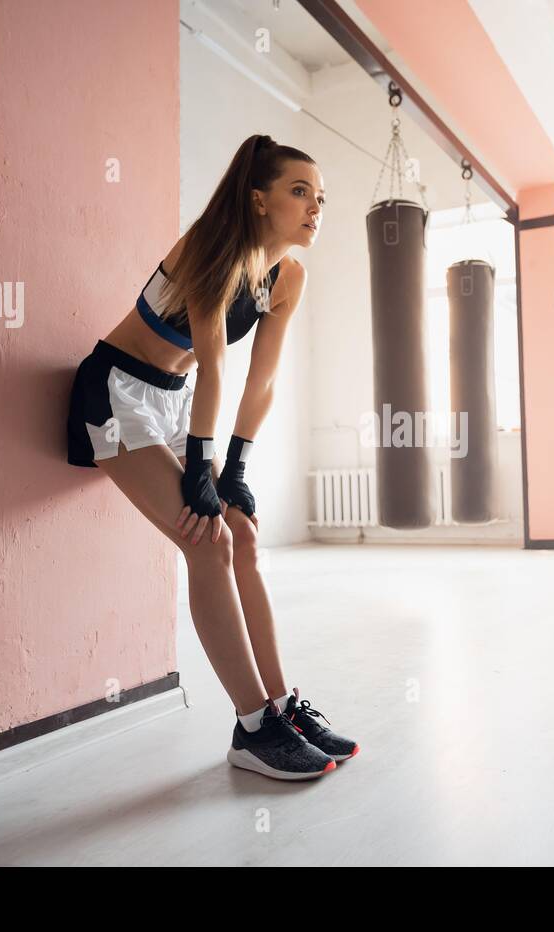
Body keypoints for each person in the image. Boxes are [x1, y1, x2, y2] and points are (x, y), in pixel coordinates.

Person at [66, 134, 357, 781]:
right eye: (300, 192)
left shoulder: (289, 277)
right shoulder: (211, 248)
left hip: (174, 399)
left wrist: (237, 467)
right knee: (208, 543)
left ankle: (282, 706)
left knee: (243, 536)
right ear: (259, 200)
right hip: (117, 391)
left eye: (321, 197)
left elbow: (264, 382)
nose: (315, 207)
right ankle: (252, 727)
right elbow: (219, 364)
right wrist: (201, 467)